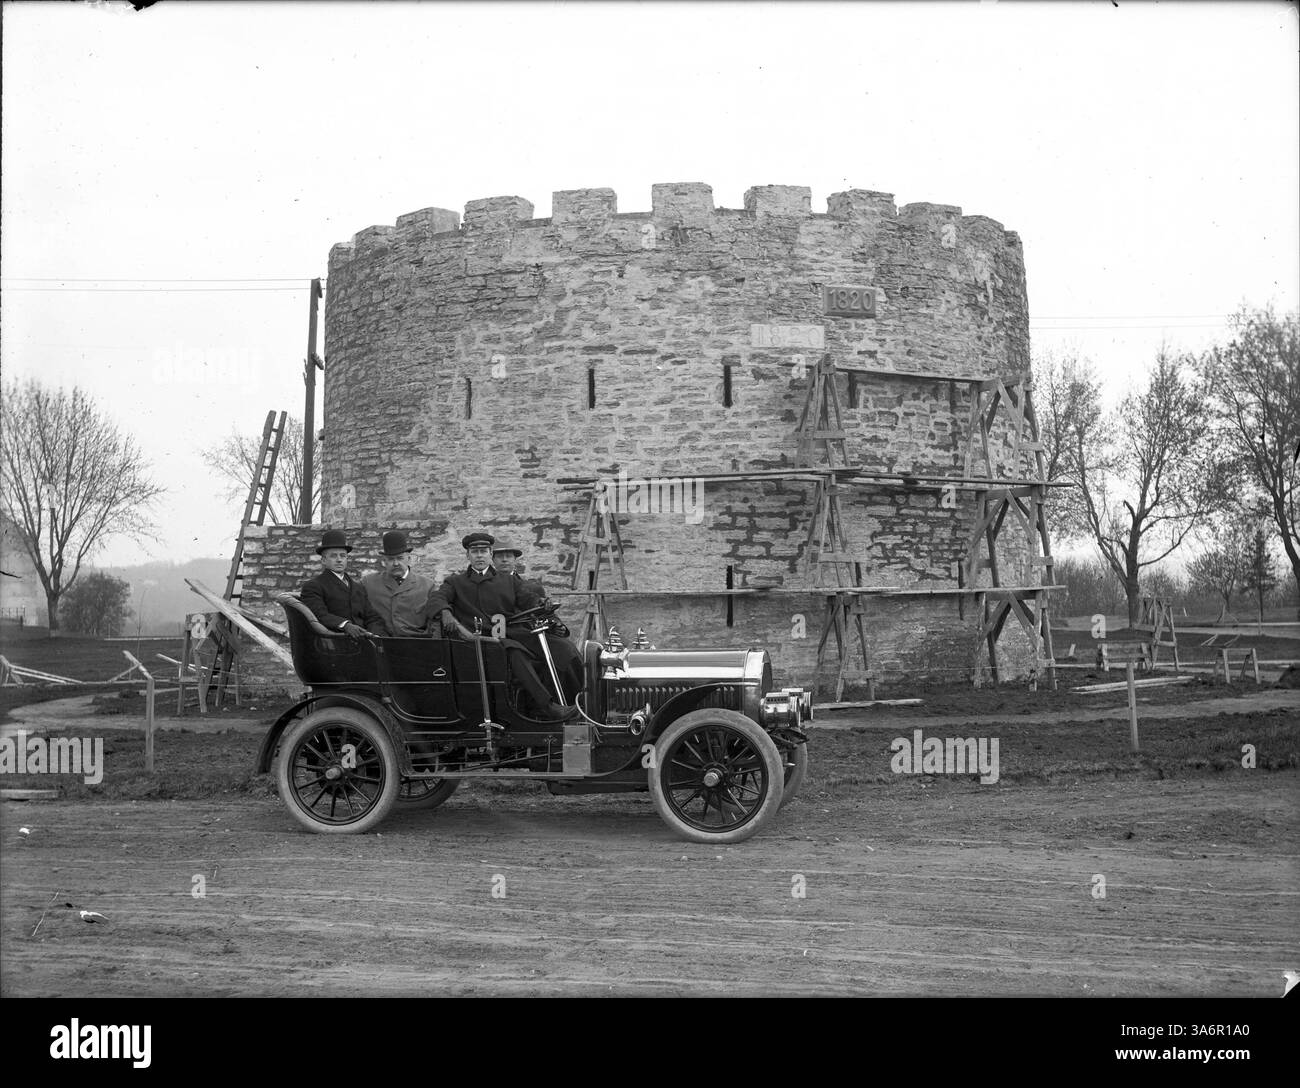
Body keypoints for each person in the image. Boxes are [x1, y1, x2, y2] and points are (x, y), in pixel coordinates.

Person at [428, 531, 574, 721]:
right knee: (515, 652)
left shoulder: (509, 581)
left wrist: (541, 604)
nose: (479, 555)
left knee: (564, 648)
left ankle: (580, 699)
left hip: (510, 634)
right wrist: (445, 612)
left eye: (484, 551)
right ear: (468, 556)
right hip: (476, 642)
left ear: (490, 555)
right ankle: (547, 708)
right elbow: (436, 598)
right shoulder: (455, 583)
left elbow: (528, 599)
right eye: (475, 552)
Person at [493, 538, 583, 701]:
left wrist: (557, 625)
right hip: (509, 636)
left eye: (508, 556)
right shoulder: (487, 587)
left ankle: (577, 701)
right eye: (500, 556)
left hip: (534, 633)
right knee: (562, 650)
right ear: (493, 560)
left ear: (515, 560)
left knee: (568, 652)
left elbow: (545, 612)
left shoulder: (531, 587)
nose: (504, 560)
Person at [299, 529, 386, 639]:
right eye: (333, 556)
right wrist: (345, 625)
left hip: (365, 642)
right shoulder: (314, 586)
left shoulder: (358, 587)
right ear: (323, 560)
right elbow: (319, 615)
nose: (339, 560)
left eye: (343, 555)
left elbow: (372, 617)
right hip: (335, 642)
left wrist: (375, 635)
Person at [362, 529, 437, 636]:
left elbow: (434, 621)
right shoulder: (368, 583)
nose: (396, 563)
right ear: (384, 561)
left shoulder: (427, 586)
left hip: (416, 645)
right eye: (391, 559)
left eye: (400, 558)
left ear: (409, 559)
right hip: (382, 644)